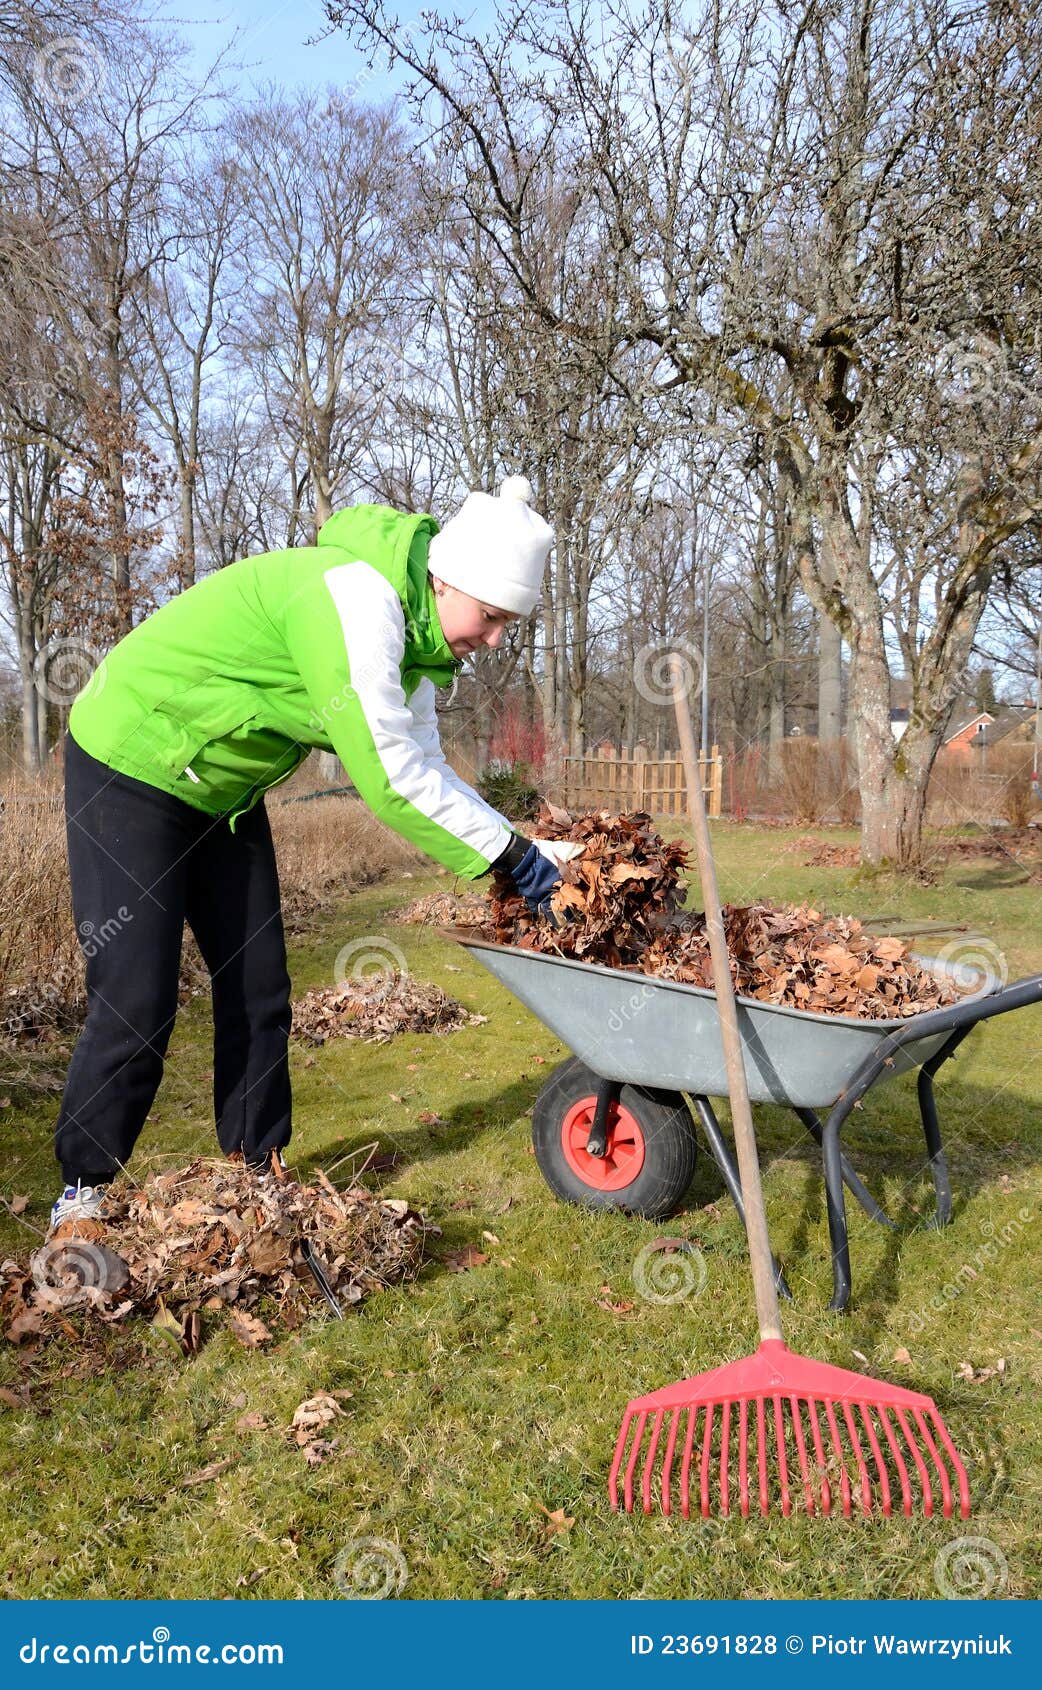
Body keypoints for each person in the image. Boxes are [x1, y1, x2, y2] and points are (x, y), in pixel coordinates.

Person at [49, 475, 565, 1231]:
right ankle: (83, 1187)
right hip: (132, 762)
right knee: (138, 996)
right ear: (447, 579)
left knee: (259, 987)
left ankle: (256, 1174)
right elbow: (388, 774)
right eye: (490, 617)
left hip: (220, 795)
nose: (492, 640)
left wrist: (536, 851)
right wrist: (512, 861)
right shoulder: (353, 601)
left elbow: (427, 766)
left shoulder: (416, 641)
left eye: (505, 625)